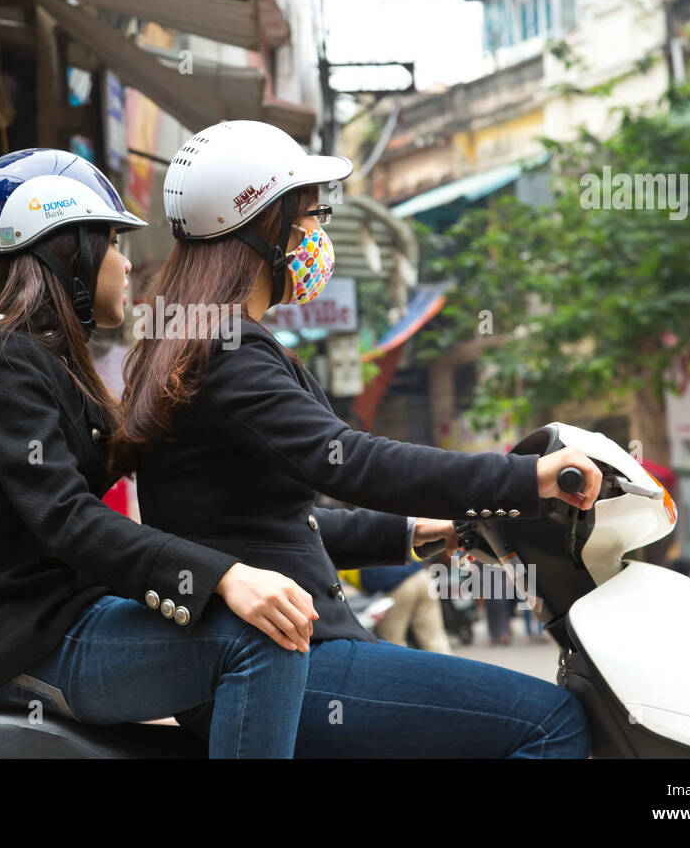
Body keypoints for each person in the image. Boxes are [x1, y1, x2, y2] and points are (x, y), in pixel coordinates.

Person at [112, 119, 601, 758]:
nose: (318, 236)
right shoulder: (229, 350)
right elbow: (348, 460)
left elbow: (264, 526)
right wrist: (524, 478)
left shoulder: (199, 342)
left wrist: (411, 533)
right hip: (285, 658)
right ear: (264, 228)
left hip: (275, 647)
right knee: (552, 721)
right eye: (309, 218)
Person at [0, 148, 334, 758]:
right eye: (111, 243)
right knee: (262, 641)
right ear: (63, 250)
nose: (126, 264)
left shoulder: (47, 361)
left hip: (75, 619)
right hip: (26, 644)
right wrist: (226, 578)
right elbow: (65, 517)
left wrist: (405, 529)